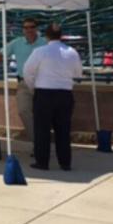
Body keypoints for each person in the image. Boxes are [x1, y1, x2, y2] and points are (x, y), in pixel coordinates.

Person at [23, 23, 83, 171]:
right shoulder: (72, 52)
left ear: (46, 36)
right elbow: (78, 74)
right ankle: (65, 162)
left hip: (44, 93)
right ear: (61, 36)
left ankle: (42, 162)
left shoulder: (40, 51)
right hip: (65, 94)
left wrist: (33, 87)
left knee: (42, 130)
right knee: (63, 130)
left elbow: (27, 72)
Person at [0, 17, 46, 142]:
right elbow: (0, 54)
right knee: (24, 111)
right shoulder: (17, 42)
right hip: (23, 83)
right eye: (26, 27)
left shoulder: (44, 42)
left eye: (32, 27)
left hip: (42, 82)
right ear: (23, 30)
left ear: (36, 28)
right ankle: (37, 142)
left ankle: (41, 143)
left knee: (42, 114)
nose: (29, 30)